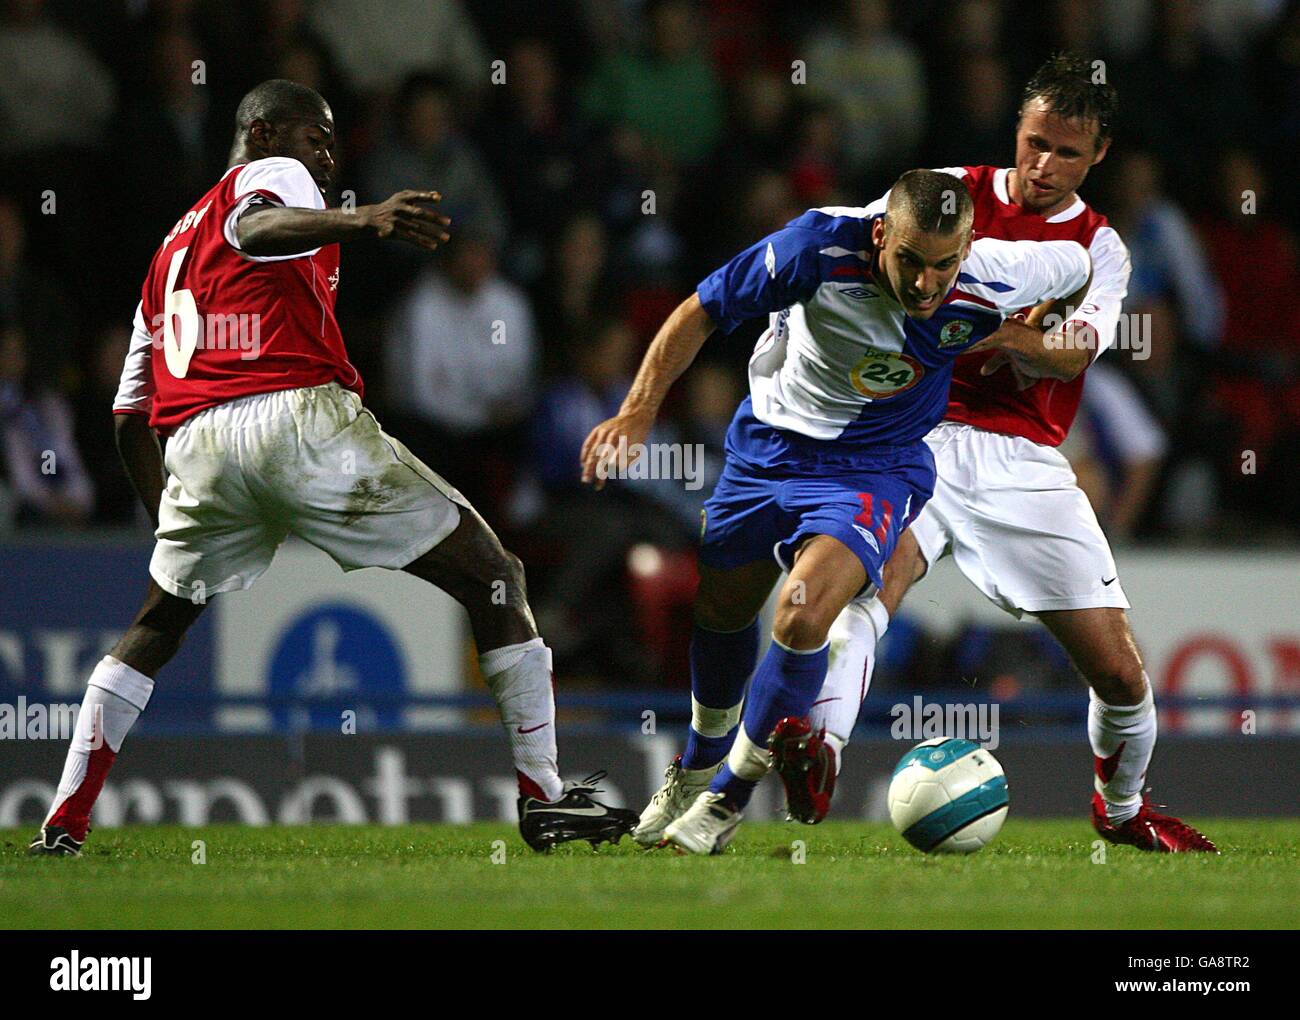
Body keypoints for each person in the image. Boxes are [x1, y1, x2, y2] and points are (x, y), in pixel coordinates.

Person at [28, 79, 635, 857]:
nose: (326, 155)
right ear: (266, 130)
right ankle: (546, 798)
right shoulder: (267, 176)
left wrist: (167, 512)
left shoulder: (166, 256)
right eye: (316, 137)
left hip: (197, 451)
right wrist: (363, 216)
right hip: (292, 418)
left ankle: (64, 823)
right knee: (496, 574)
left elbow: (127, 416)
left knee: (154, 626)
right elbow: (255, 227)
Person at [762, 55, 1217, 853]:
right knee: (880, 574)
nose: (1043, 165)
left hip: (1024, 458)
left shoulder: (1099, 249)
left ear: (1098, 156)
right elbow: (867, 268)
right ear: (1017, 128)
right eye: (1035, 142)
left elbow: (1071, 354)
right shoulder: (943, 193)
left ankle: (1122, 809)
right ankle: (821, 749)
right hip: (914, 432)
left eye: (1066, 153)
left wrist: (988, 330)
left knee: (1118, 673)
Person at [582, 167, 1092, 854]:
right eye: (910, 261)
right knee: (723, 613)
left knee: (800, 614)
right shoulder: (814, 248)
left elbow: (1078, 265)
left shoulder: (998, 274)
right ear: (881, 233)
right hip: (768, 449)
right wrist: (639, 411)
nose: (925, 284)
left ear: (969, 248)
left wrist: (1028, 334)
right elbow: (702, 309)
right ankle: (698, 762)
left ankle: (724, 801)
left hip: (874, 470)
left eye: (944, 265)